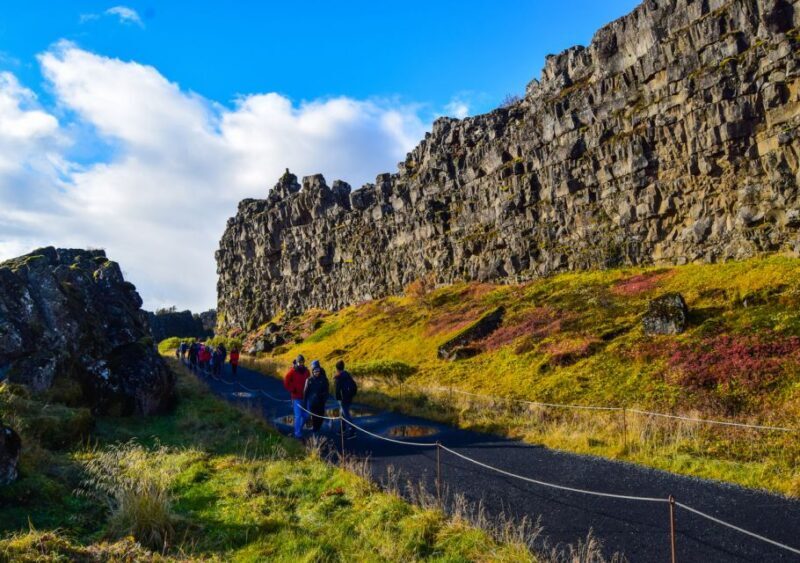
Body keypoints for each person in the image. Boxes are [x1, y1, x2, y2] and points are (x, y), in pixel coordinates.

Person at [284, 355, 311, 438]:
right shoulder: (292, 371)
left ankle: (298, 428)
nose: (301, 364)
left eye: (302, 362)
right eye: (299, 362)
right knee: (298, 416)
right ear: (297, 362)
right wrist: (293, 389)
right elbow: (286, 382)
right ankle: (297, 434)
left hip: (305, 397)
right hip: (296, 398)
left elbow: (309, 381)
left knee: (307, 415)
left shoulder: (307, 371)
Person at [304, 360, 330, 435]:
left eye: (318, 370)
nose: (317, 372)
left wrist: (324, 399)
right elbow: (305, 393)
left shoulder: (324, 379)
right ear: (312, 371)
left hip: (321, 403)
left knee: (320, 419)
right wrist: (305, 404)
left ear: (320, 370)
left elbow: (327, 391)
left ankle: (317, 430)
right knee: (315, 420)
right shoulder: (309, 380)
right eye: (315, 371)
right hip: (312, 404)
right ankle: (315, 435)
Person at [333, 360, 357, 438]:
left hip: (343, 398)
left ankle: (352, 431)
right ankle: (342, 429)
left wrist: (338, 398)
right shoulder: (347, 374)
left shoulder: (338, 377)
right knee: (343, 413)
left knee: (346, 414)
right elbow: (353, 384)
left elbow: (337, 390)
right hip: (349, 396)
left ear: (337, 368)